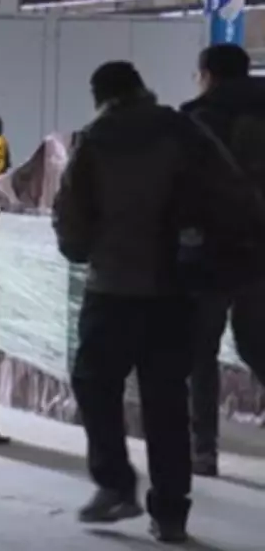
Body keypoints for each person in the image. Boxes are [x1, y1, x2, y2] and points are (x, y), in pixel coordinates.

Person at [53, 61, 202, 543]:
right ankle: (172, 512)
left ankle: (116, 482)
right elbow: (224, 193)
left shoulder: (95, 141)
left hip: (113, 286)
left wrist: (81, 248)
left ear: (101, 96)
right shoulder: (183, 130)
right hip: (173, 288)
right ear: (142, 89)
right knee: (167, 400)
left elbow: (72, 221)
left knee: (95, 385)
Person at [181, 44, 265, 477]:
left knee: (200, 353)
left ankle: (203, 450)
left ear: (207, 74)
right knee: (257, 344)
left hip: (211, 251)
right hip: (261, 253)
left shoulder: (197, 120)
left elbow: (184, 189)